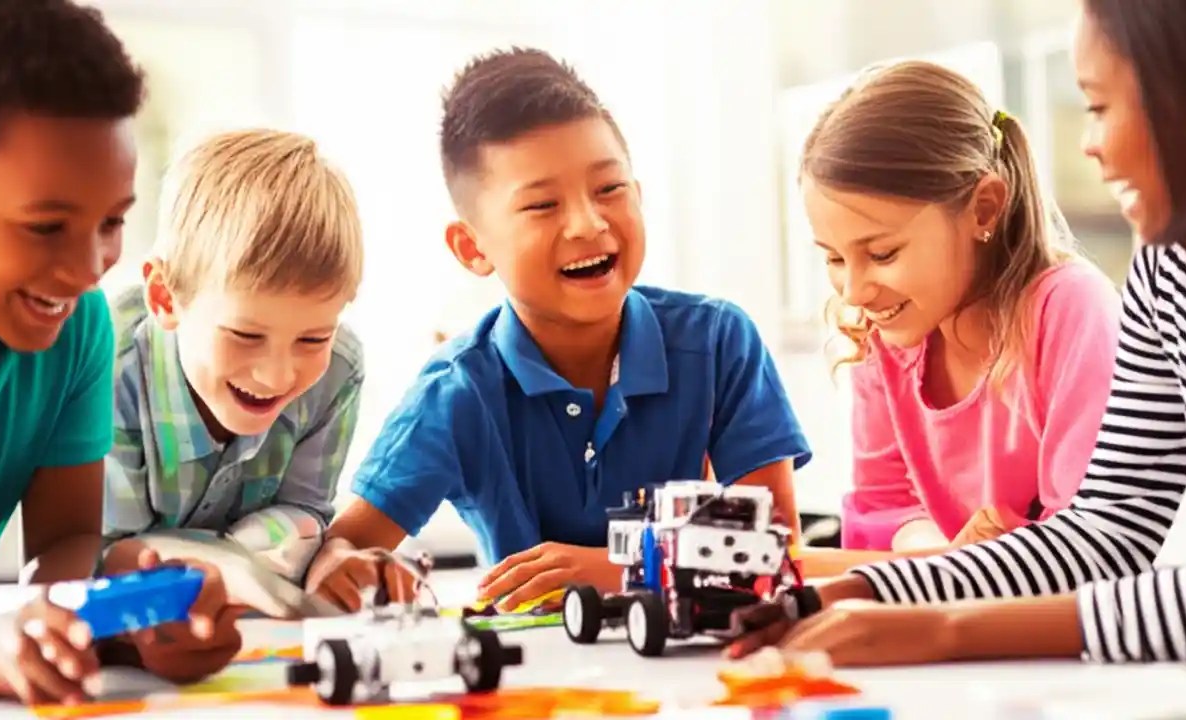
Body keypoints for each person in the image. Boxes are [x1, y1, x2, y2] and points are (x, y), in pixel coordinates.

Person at [731, 0, 1186, 665]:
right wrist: (859, 589)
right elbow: (1105, 530)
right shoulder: (1170, 274)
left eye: (1100, 107)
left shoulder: (1076, 304)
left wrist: (942, 627)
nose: (1088, 143)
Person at [307, 48, 811, 613]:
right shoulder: (455, 392)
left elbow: (777, 552)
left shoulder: (718, 342)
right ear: (473, 248)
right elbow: (343, 550)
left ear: (638, 196)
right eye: (543, 205)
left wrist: (619, 570)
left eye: (609, 190)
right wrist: (344, 568)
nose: (588, 223)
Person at [0, 0, 239, 703]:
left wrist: (97, 625)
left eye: (111, 221)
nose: (90, 266)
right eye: (45, 227)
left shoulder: (77, 326)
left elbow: (64, 539)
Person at [792, 59, 1120, 578]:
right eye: (833, 257)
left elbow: (1095, 535)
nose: (854, 290)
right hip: (945, 604)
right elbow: (879, 503)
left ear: (984, 209)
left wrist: (978, 559)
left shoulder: (1070, 312)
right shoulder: (887, 333)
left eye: (882, 254)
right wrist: (939, 551)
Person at [102, 128, 366, 585]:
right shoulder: (106, 364)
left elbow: (306, 513)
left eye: (312, 339)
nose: (278, 374)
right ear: (165, 299)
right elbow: (110, 555)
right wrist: (245, 560)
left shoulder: (339, 369)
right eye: (245, 335)